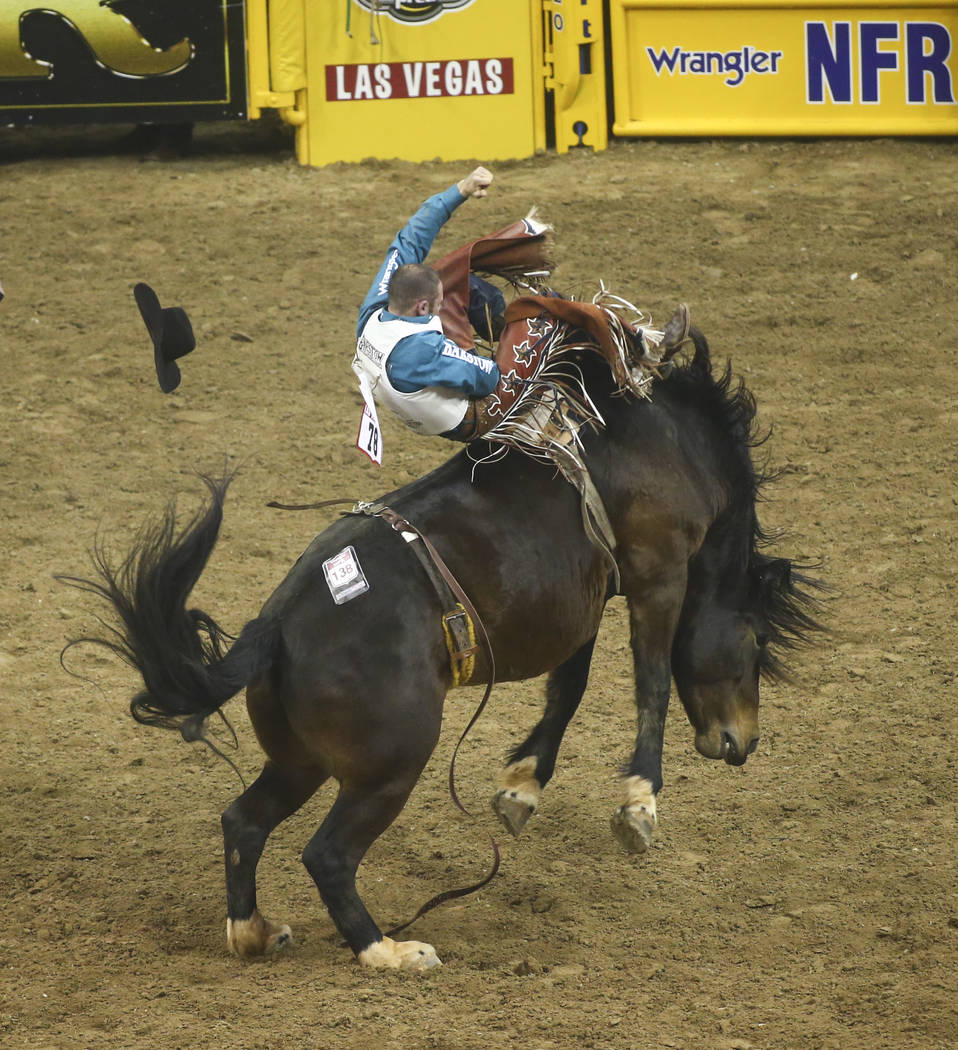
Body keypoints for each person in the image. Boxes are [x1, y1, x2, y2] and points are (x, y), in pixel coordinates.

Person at [354, 167, 505, 441]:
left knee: (461, 284)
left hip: (406, 381)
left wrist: (461, 189)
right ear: (423, 308)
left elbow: (410, 239)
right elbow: (488, 377)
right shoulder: (423, 351)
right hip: (466, 418)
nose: (441, 305)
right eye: (438, 302)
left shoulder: (372, 312)